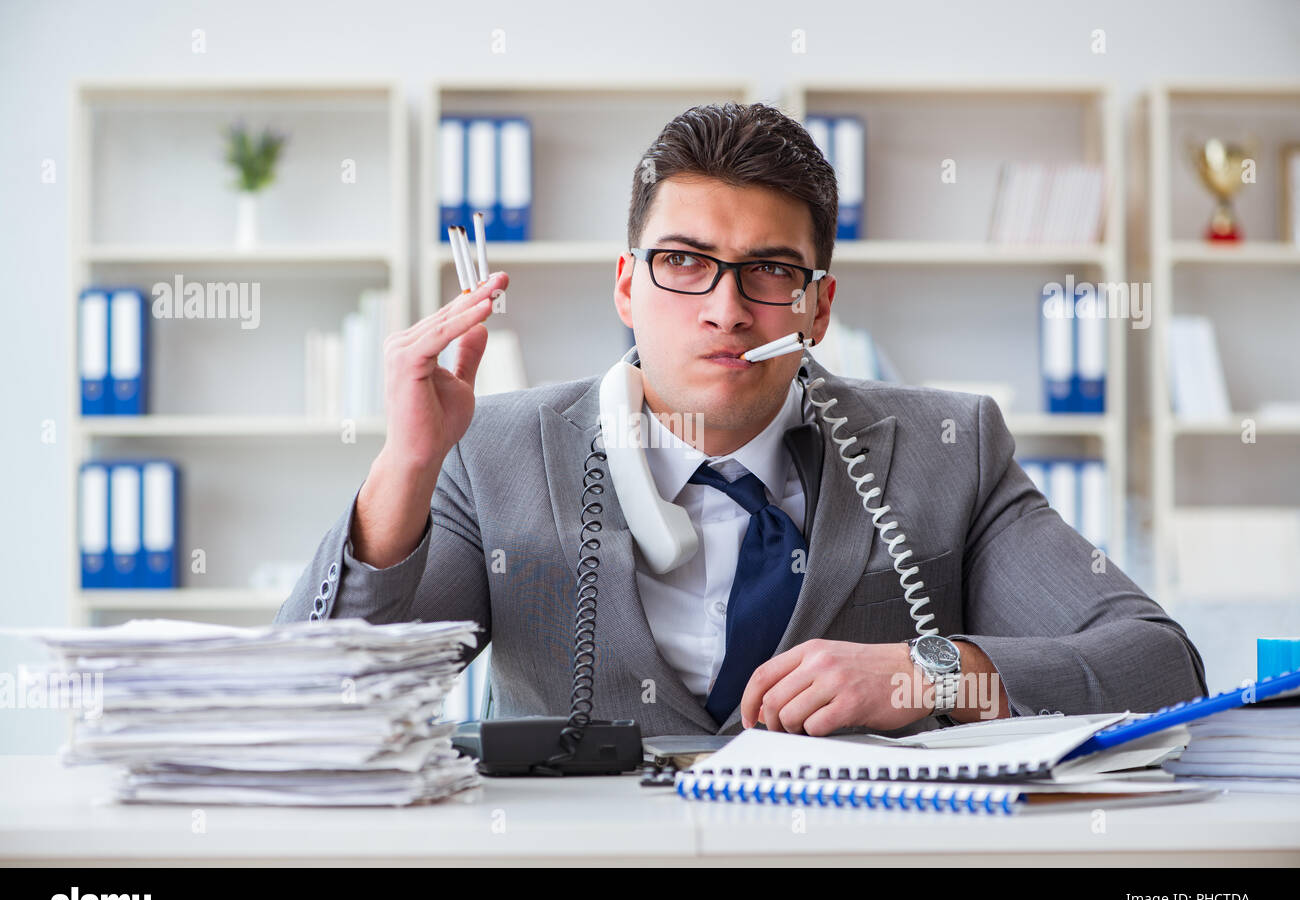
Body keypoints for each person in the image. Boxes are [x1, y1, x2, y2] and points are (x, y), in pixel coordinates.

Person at [276, 102, 1207, 738]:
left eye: (770, 270)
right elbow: (314, 705)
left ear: (820, 307)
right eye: (683, 261)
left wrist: (927, 670)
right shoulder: (496, 453)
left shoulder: (945, 452)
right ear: (627, 286)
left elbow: (1159, 667)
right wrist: (405, 464)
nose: (726, 309)